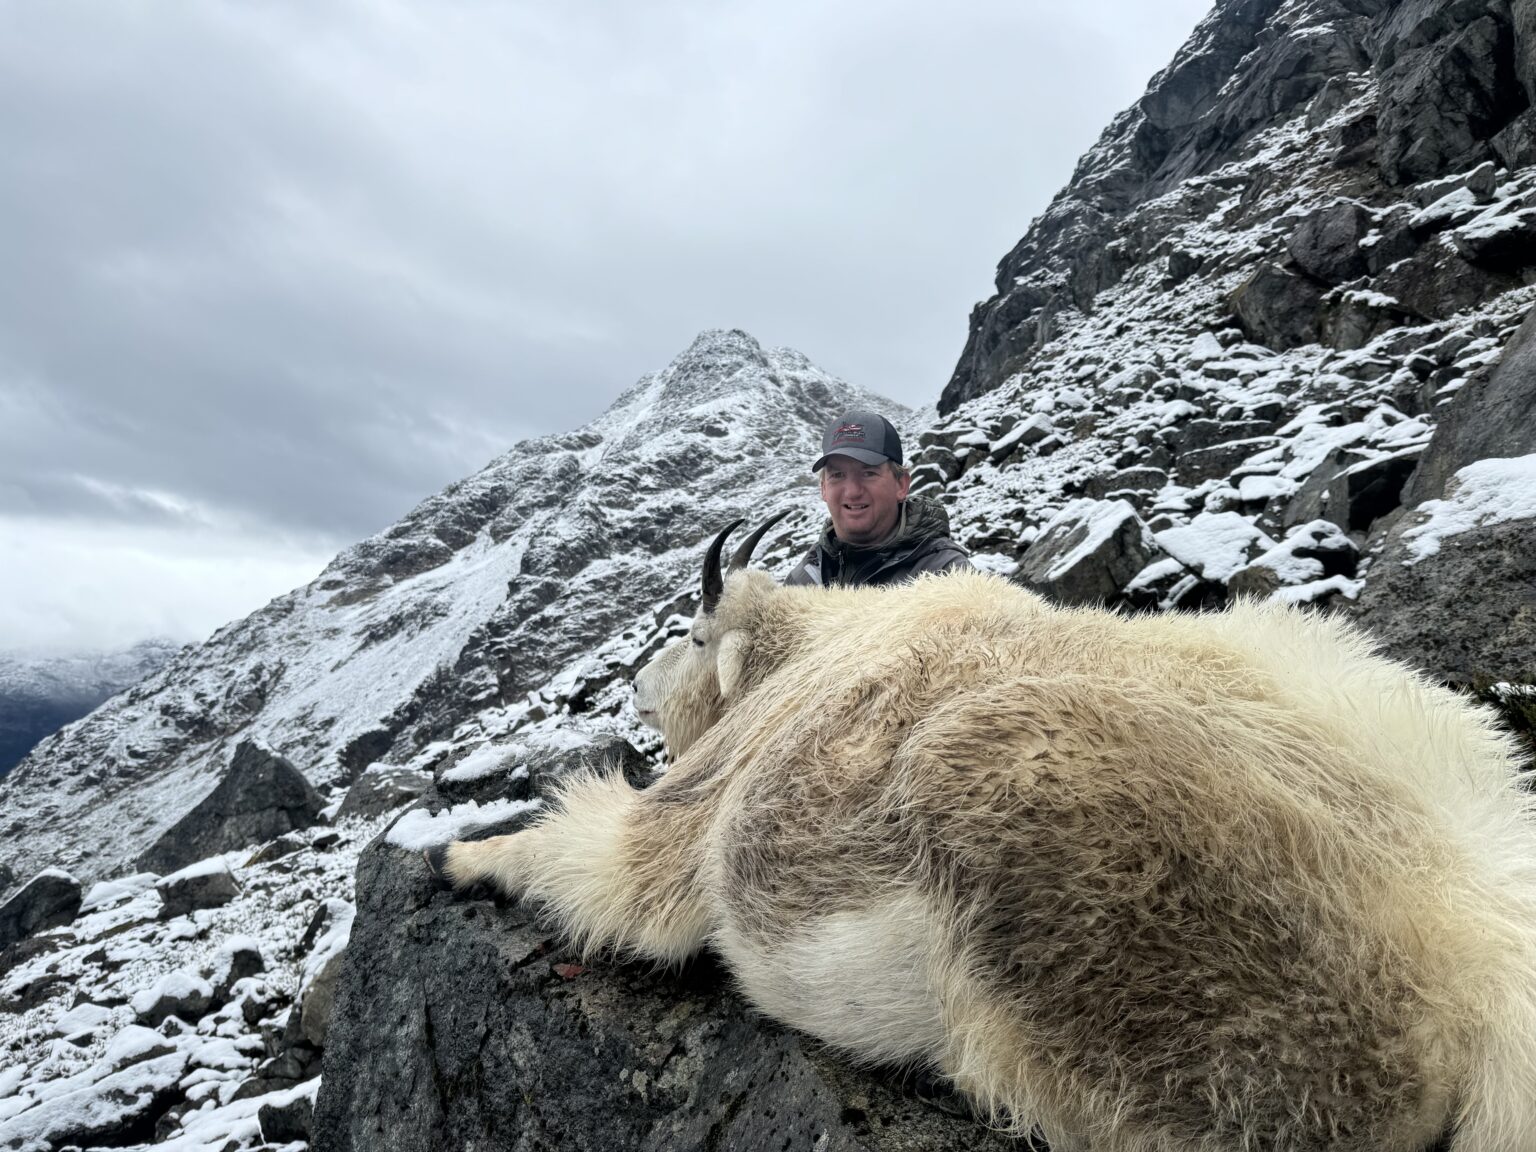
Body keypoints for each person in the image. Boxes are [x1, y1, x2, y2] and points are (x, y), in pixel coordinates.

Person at [786, 410, 971, 588]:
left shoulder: (948, 577)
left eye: (868, 473)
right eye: (838, 475)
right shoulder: (802, 580)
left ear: (901, 484)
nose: (852, 492)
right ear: (824, 489)